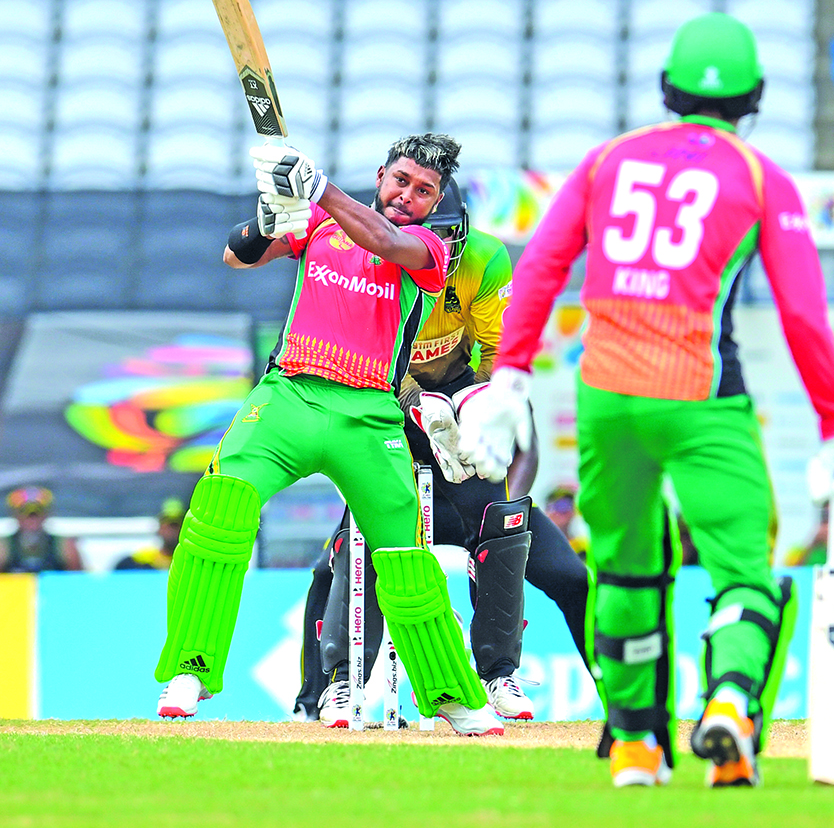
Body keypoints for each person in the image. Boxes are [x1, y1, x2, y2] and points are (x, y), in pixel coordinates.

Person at [457, 12, 834, 787]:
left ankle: (635, 745)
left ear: (665, 88)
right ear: (755, 97)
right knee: (742, 570)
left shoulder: (606, 161)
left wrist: (510, 378)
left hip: (607, 397)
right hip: (702, 395)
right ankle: (729, 704)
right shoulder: (762, 179)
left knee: (626, 573)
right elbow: (802, 314)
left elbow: (543, 266)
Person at [154, 133, 503, 736]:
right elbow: (237, 256)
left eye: (424, 191)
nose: (408, 196)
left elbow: (384, 241)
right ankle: (191, 668)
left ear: (435, 201)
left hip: (368, 416)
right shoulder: (317, 221)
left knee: (404, 558)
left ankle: (452, 694)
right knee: (220, 505)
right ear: (381, 174)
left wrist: (320, 191)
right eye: (401, 181)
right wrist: (268, 222)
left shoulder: (428, 247)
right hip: (289, 395)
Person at [294, 180, 591, 726]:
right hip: (395, 421)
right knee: (337, 560)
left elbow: (507, 377)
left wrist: (503, 511)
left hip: (464, 433)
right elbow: (366, 370)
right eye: (428, 237)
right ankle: (323, 696)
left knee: (562, 570)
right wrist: (415, 402)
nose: (442, 251)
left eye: (450, 235)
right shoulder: (368, 259)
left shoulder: (483, 259)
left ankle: (514, 678)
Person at [0, 486, 82, 573]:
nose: (31, 518)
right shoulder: (4, 546)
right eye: (24, 511)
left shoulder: (64, 545)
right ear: (14, 514)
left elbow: (77, 577)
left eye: (37, 511)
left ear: (47, 513)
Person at [115, 497, 185, 570]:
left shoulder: (187, 561)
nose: (172, 531)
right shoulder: (141, 559)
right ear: (159, 528)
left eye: (176, 526)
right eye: (168, 526)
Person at [543, 485, 589, 560]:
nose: (556, 512)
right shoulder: (540, 548)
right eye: (551, 506)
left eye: (564, 505)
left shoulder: (584, 546)